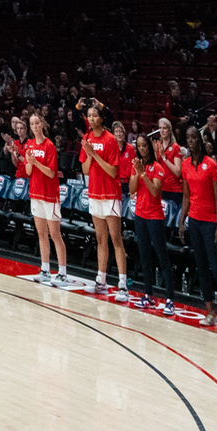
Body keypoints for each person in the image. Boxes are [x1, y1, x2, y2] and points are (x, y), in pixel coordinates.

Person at [180, 129, 217, 332]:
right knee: (201, 267)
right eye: (188, 138)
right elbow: (186, 196)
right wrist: (182, 221)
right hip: (194, 221)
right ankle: (210, 312)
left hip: (210, 223)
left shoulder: (211, 164)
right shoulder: (185, 165)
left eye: (194, 137)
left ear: (200, 141)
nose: (190, 141)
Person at [13, 111, 70, 286]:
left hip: (50, 195)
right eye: (32, 124)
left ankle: (62, 273)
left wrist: (36, 162)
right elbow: (28, 171)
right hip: (35, 193)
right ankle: (45, 269)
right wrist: (29, 162)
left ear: (42, 124)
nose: (35, 126)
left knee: (55, 234)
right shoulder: (29, 145)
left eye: (37, 123)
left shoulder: (49, 145)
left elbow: (51, 173)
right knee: (41, 233)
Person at [77, 105, 128, 300]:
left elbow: (113, 171)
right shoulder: (87, 138)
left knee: (116, 239)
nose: (91, 118)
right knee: (100, 239)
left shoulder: (110, 140)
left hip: (111, 194)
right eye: (89, 115)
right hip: (95, 193)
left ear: (101, 118)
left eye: (94, 115)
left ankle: (122, 285)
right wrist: (89, 154)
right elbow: (85, 170)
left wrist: (95, 154)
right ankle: (101, 280)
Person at [126, 136, 178, 316]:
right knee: (144, 256)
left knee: (162, 257)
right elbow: (132, 190)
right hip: (140, 216)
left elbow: (155, 192)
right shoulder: (137, 165)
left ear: (149, 147)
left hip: (155, 217)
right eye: (139, 146)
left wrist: (142, 174)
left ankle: (170, 299)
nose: (142, 149)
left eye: (144, 146)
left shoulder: (157, 168)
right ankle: (148, 295)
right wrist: (136, 172)